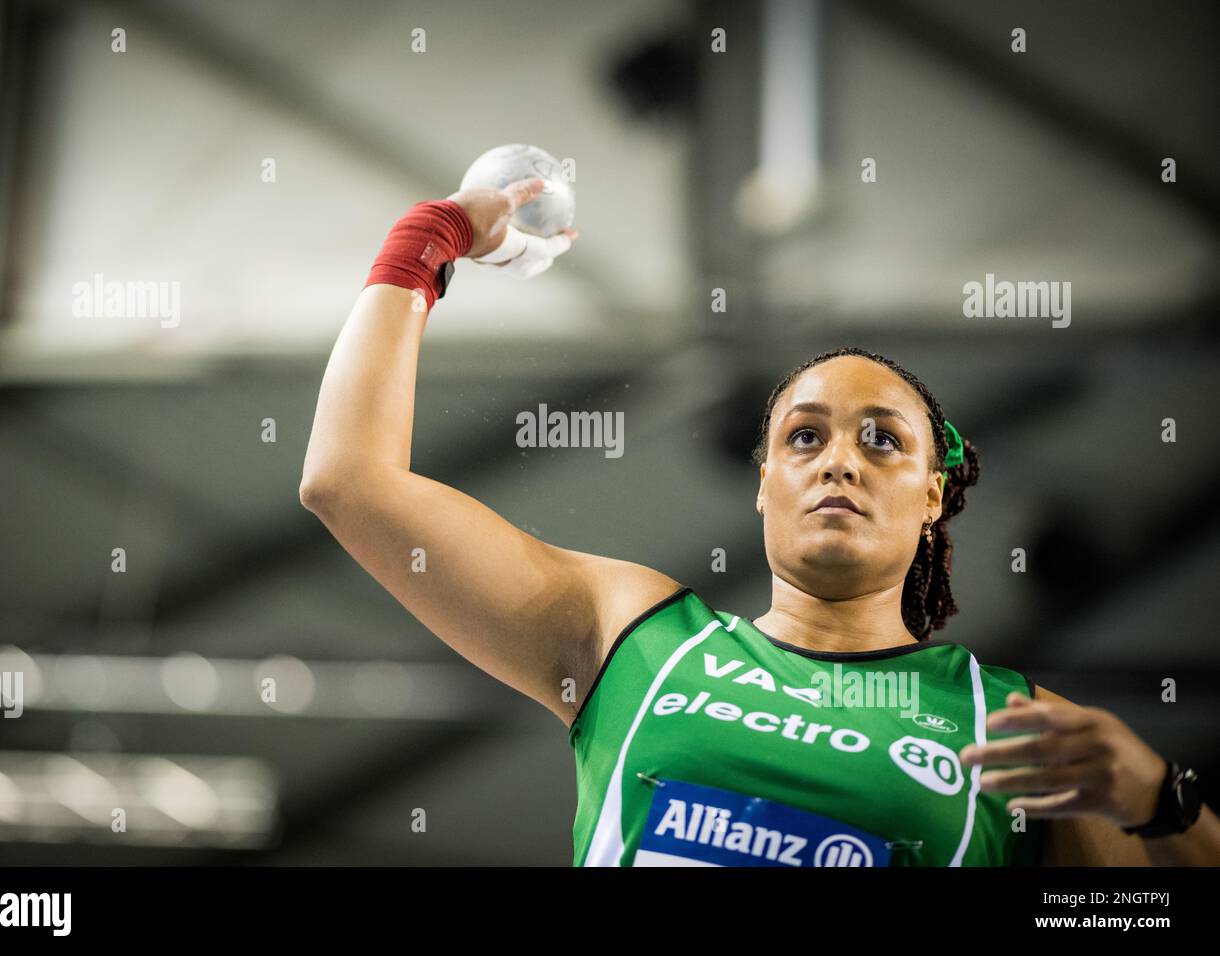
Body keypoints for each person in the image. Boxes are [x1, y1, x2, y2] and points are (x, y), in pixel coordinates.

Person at [299, 179, 1218, 866]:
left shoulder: (1017, 727)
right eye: (805, 436)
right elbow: (348, 481)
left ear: (934, 495)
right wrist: (432, 235)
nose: (841, 460)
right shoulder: (629, 638)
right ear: (764, 484)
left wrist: (1162, 805)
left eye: (884, 440)